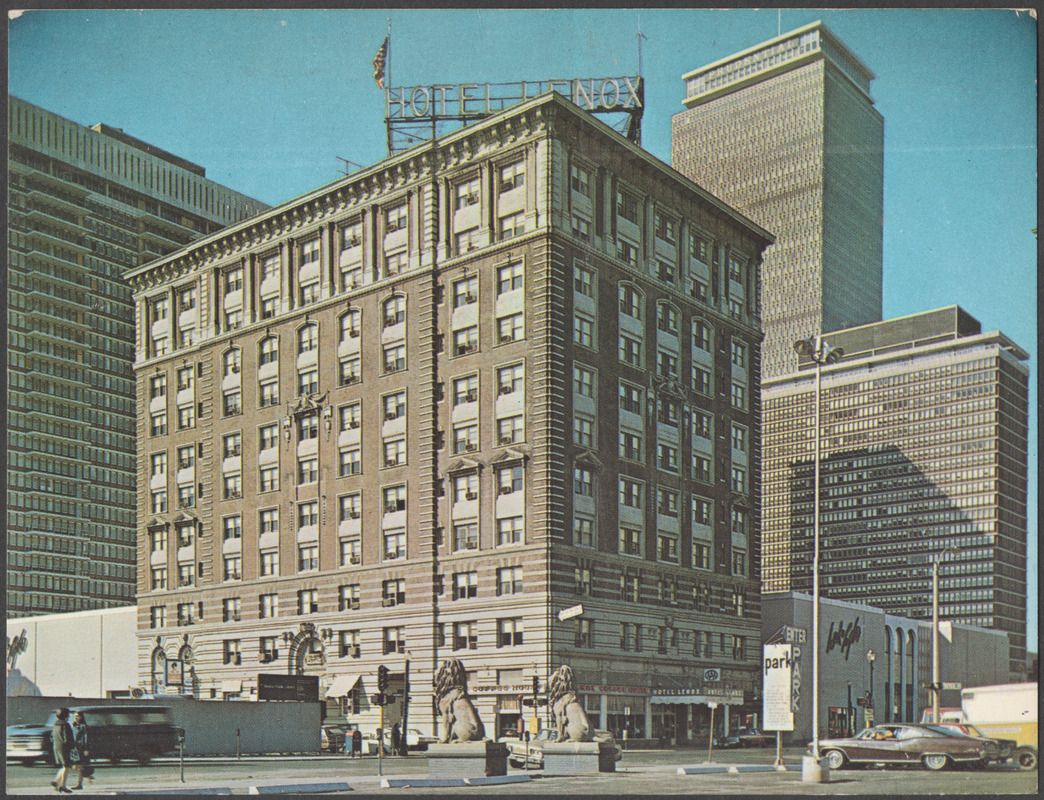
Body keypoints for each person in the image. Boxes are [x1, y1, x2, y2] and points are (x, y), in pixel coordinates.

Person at [50, 707, 74, 794]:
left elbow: (51, 737)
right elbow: (68, 739)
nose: (69, 717)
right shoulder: (66, 725)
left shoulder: (55, 724)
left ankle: (55, 782)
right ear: (65, 716)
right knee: (66, 767)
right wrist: (72, 747)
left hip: (56, 746)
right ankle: (63, 786)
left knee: (64, 766)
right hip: (64, 748)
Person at [69, 711, 93, 790]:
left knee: (80, 765)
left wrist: (86, 749)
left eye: (78, 716)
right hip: (74, 749)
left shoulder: (84, 726)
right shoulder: (73, 726)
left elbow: (86, 738)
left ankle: (79, 784)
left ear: (81, 717)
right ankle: (88, 776)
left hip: (81, 748)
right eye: (75, 716)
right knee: (74, 766)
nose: (76, 718)